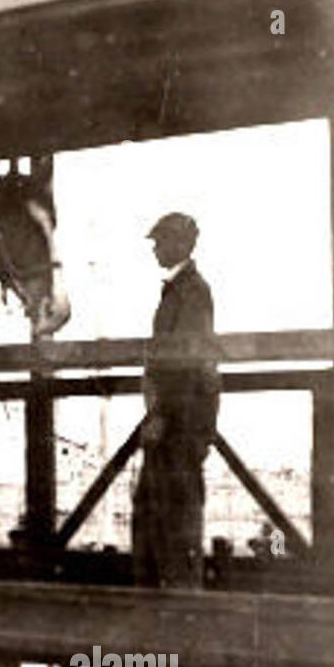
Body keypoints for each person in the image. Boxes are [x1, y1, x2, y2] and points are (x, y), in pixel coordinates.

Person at [132, 212, 221, 589]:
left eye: (161, 241)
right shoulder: (181, 289)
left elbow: (185, 360)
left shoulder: (192, 291)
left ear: (182, 244)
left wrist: (162, 414)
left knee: (175, 509)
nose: (155, 248)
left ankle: (180, 592)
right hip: (176, 416)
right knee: (161, 507)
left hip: (180, 418)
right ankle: (167, 591)